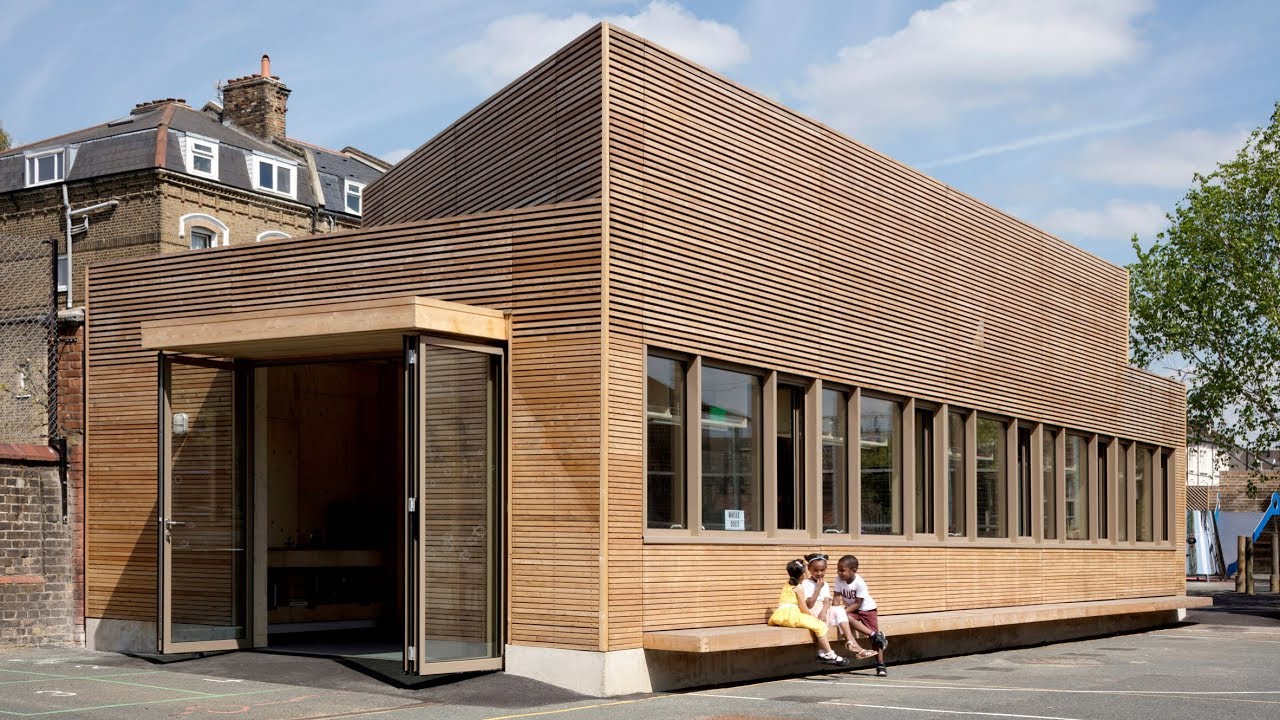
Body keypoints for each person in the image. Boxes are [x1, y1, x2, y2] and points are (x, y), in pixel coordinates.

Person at [768, 558, 847, 665]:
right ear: (803, 574)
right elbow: (804, 608)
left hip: (779, 615)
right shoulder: (799, 587)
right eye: (805, 572)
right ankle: (830, 654)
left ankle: (823, 653)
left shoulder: (787, 584)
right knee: (820, 626)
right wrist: (810, 617)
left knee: (817, 625)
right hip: (791, 615)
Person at [801, 553, 876, 660]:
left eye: (822, 570)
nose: (819, 573)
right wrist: (817, 588)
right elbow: (809, 604)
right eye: (816, 570)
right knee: (838, 618)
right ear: (809, 569)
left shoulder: (824, 583)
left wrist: (824, 611)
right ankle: (859, 650)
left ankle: (850, 643)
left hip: (823, 611)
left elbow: (827, 600)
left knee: (840, 610)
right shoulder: (806, 583)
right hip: (813, 612)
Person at [834, 554, 888, 676]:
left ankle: (880, 664)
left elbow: (858, 604)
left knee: (875, 641)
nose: (839, 573)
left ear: (854, 571)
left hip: (867, 610)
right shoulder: (838, 579)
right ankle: (875, 635)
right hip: (851, 611)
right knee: (845, 617)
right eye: (838, 570)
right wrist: (835, 610)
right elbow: (836, 599)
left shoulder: (859, 583)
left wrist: (842, 611)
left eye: (842, 570)